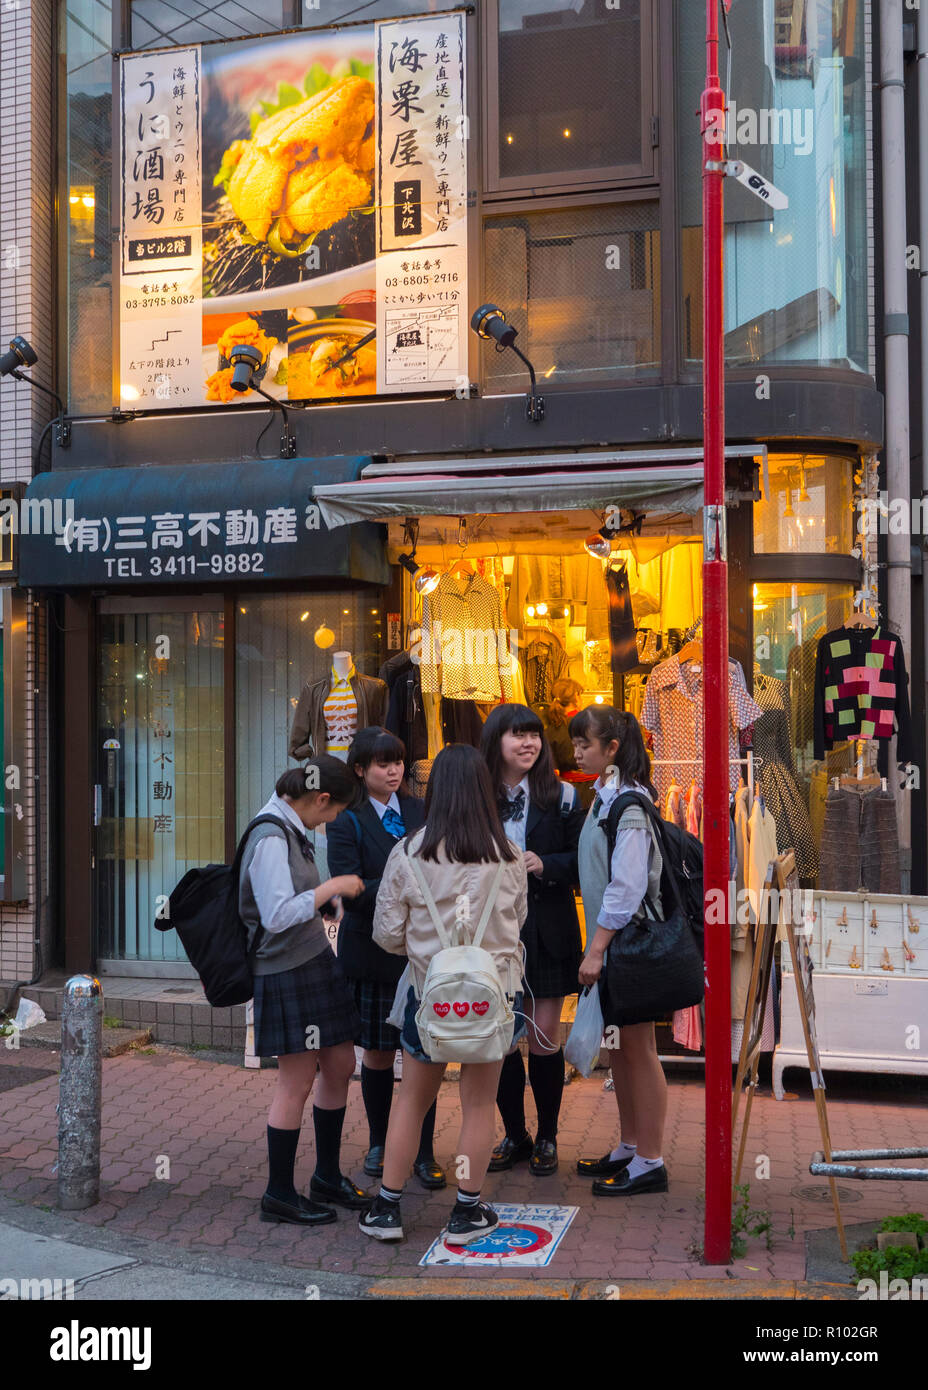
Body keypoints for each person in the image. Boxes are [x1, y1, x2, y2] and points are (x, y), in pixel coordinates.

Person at [359, 744, 527, 1244]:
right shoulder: (509, 855)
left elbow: (386, 934)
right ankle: (467, 1213)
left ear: (434, 793)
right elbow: (517, 925)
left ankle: (388, 1208)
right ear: (484, 791)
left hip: (426, 998)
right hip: (491, 997)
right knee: (480, 1103)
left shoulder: (408, 852)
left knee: (411, 1099)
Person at [239, 759, 370, 1226]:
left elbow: (298, 901)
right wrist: (332, 887)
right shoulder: (271, 836)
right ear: (320, 799)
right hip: (286, 970)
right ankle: (278, 1193)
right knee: (295, 1081)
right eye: (334, 811)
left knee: (339, 1063)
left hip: (313, 962)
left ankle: (327, 1176)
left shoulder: (291, 829)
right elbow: (275, 915)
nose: (332, 821)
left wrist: (326, 899)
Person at [326, 727, 446, 1189]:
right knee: (377, 1055)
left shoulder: (420, 810)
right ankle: (379, 1141)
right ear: (360, 770)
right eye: (382, 763)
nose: (393, 770)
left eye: (397, 761)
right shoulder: (346, 820)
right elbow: (346, 888)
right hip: (372, 951)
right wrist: (406, 887)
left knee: (427, 1051)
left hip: (421, 953)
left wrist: (401, 888)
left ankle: (424, 1151)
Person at [480, 703, 584, 1176]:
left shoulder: (562, 794)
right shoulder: (476, 796)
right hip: (494, 929)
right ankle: (514, 1133)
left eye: (535, 735)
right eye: (517, 734)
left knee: (543, 1038)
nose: (528, 743)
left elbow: (583, 862)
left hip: (547, 925)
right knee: (500, 1039)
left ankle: (547, 1137)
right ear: (495, 742)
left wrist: (546, 864)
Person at [570, 706, 670, 1196]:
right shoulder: (604, 798)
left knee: (639, 1049)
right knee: (623, 1049)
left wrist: (597, 948)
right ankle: (631, 1146)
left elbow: (627, 888)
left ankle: (651, 1159)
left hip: (628, 945)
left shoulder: (629, 805)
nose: (577, 752)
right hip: (615, 946)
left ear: (611, 749)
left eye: (584, 744)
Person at [537, 678, 585, 774]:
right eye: (580, 694)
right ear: (576, 696)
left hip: (562, 782)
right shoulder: (585, 722)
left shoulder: (549, 727)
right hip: (589, 784)